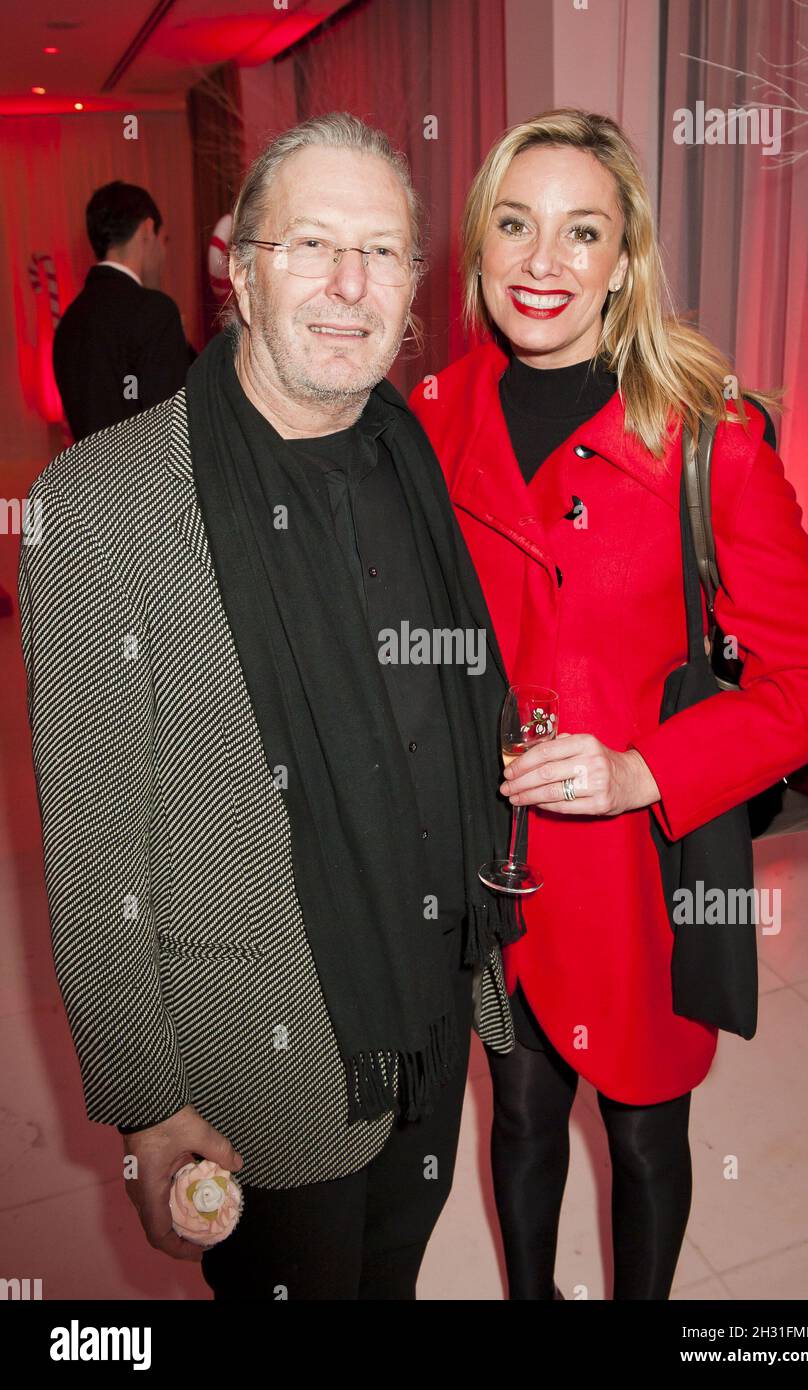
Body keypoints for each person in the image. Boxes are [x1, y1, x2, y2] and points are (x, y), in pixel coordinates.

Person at [18, 113, 520, 1301]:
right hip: (264, 1056)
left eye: (382, 252)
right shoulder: (100, 504)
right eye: (311, 246)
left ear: (412, 287)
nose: (350, 284)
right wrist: (146, 1099)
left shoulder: (408, 450)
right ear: (238, 272)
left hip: (429, 1005)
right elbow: (94, 848)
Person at [409, 107, 808, 1300]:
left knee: (645, 1130)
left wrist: (643, 770)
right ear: (478, 241)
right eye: (515, 224)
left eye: (582, 231)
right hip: (481, 857)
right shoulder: (429, 415)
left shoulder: (709, 437)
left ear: (624, 260)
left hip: (631, 876)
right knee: (517, 1107)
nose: (542, 261)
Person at [53, 181, 194, 440]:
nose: (163, 254)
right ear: (147, 229)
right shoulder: (155, 312)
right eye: (164, 240)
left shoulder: (69, 323)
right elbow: (173, 431)